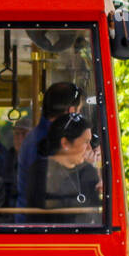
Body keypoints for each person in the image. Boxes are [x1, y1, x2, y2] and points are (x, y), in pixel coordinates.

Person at [15, 82, 83, 210]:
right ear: (71, 112)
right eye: (79, 112)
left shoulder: (36, 136)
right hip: (41, 220)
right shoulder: (47, 141)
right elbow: (58, 187)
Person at [23, 113, 101, 220]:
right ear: (65, 143)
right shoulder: (42, 171)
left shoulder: (87, 170)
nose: (89, 148)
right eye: (86, 142)